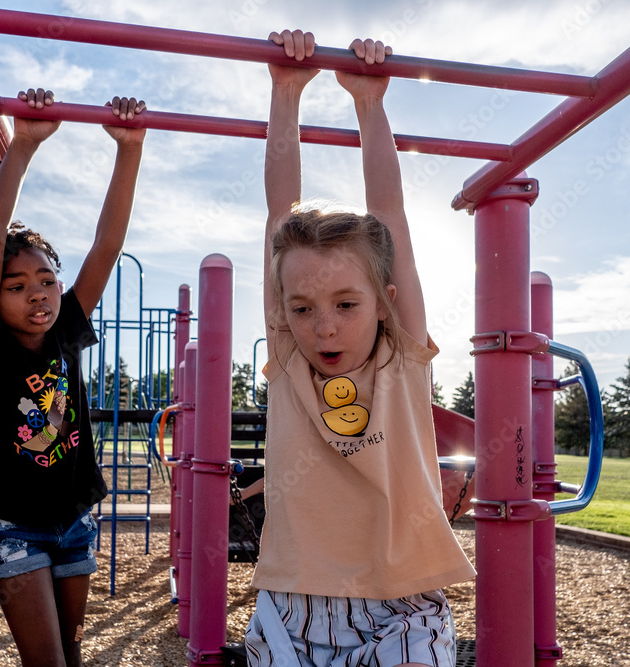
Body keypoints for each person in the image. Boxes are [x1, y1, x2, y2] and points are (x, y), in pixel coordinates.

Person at [245, 31, 475, 667]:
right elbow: (276, 217)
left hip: (400, 605)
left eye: (347, 305)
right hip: (293, 603)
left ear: (385, 301)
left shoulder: (400, 355)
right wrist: (284, 94)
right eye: (302, 309)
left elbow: (391, 217)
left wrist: (370, 106)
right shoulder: (289, 356)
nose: (324, 328)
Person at [0, 88, 146, 666]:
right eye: (16, 286)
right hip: (15, 528)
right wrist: (25, 144)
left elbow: (107, 246)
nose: (37, 292)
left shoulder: (65, 331)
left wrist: (129, 150)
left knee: (72, 660)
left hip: (76, 520)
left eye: (46, 279)